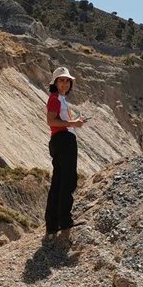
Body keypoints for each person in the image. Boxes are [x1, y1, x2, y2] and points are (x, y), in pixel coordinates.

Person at [44, 67, 86, 242]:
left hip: (59, 140)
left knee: (58, 182)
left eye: (67, 80)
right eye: (61, 80)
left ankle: (52, 225)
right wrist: (73, 123)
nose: (65, 83)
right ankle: (65, 221)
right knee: (68, 181)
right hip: (64, 141)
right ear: (55, 83)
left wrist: (74, 123)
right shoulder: (55, 99)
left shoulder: (60, 99)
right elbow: (51, 120)